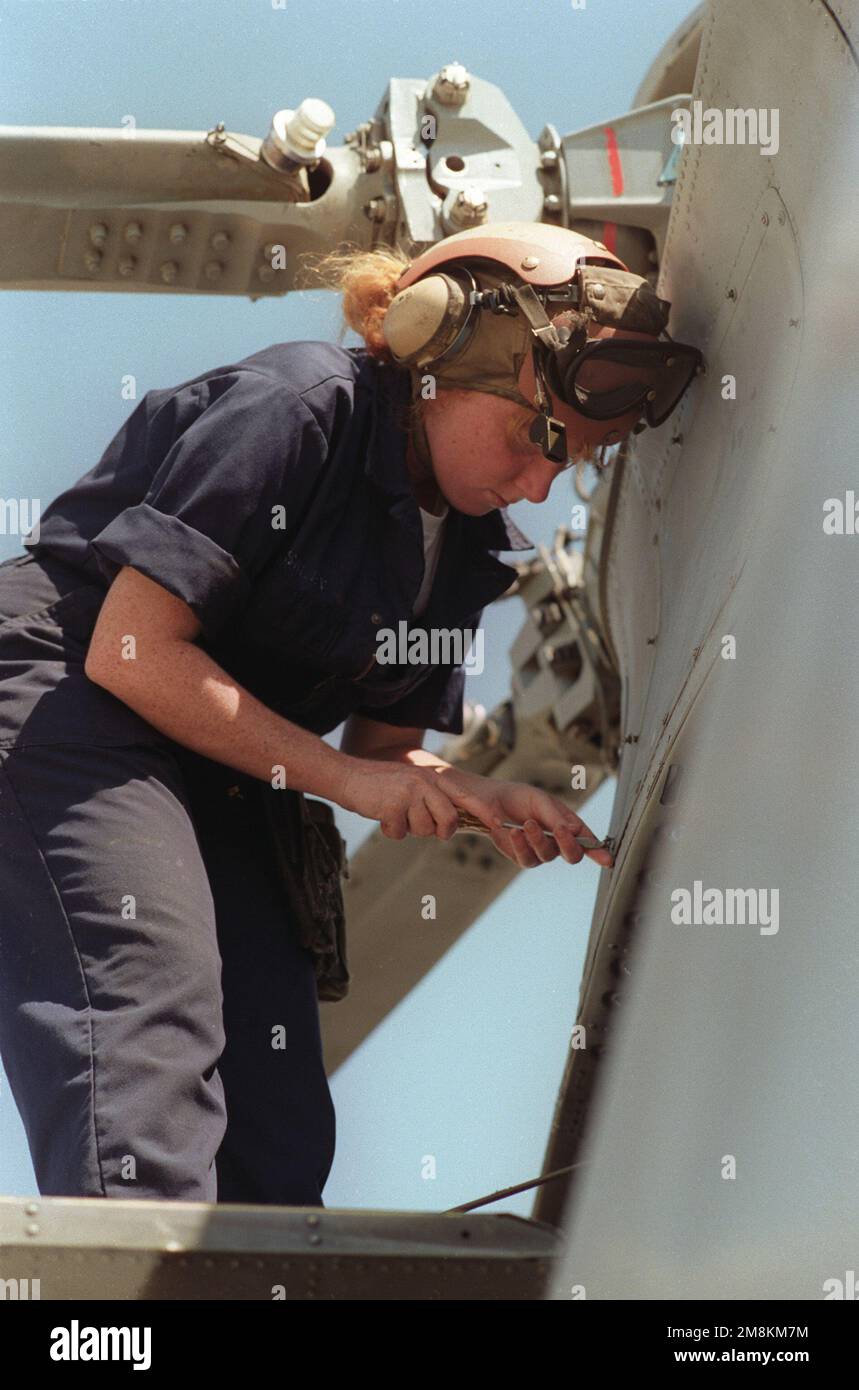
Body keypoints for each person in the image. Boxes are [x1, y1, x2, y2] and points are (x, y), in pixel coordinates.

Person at [0, 220, 701, 1207]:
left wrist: (469, 790)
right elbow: (133, 648)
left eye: (574, 461)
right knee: (148, 1000)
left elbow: (380, 756)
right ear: (442, 348)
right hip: (68, 694)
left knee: (277, 1121)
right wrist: (344, 778)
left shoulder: (464, 549)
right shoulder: (297, 408)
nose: (540, 483)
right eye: (534, 437)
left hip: (226, 755)